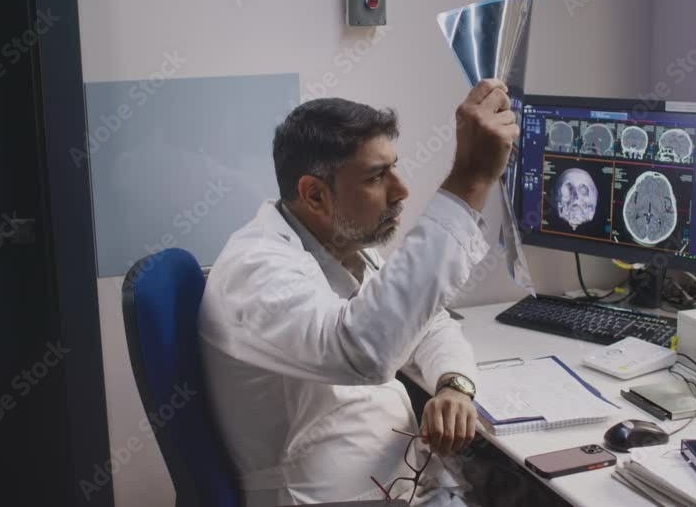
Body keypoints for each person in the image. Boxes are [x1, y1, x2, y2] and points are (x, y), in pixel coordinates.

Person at [199, 79, 518, 506]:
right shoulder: (257, 272)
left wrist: (454, 385)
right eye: (377, 176)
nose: (401, 190)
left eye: (394, 167)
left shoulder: (339, 246)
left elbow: (428, 320)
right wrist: (471, 179)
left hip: (407, 482)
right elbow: (365, 351)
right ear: (315, 194)